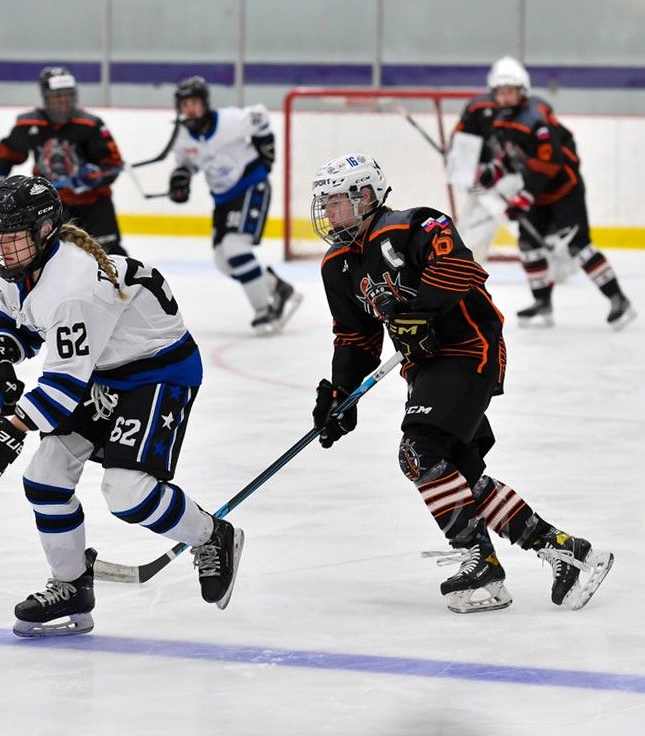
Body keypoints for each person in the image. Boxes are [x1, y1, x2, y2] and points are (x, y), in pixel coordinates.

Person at [309, 152, 614, 614]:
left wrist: (419, 311)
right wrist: (339, 394)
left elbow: (462, 270)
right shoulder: (337, 265)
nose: (327, 213)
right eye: (324, 203)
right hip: (426, 366)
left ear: (365, 196)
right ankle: (570, 553)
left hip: (470, 347)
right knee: (462, 479)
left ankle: (482, 563)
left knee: (419, 452)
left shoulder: (414, 225)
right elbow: (355, 335)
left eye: (335, 202)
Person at [0, 175, 245, 637]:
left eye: (14, 237)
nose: (4, 249)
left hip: (156, 371)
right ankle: (71, 587)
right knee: (44, 477)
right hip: (100, 371)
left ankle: (212, 535)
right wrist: (0, 352)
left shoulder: (75, 283)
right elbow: (24, 325)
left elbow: (61, 389)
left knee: (128, 493)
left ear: (46, 230)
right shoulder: (23, 269)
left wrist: (5, 431)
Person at [451, 56, 635, 329]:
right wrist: (493, 173)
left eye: (510, 90)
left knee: (578, 246)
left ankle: (619, 300)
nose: (504, 96)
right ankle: (542, 303)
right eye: (500, 92)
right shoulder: (502, 119)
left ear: (522, 90)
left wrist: (523, 199)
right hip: (537, 193)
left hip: (563, 191)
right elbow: (511, 157)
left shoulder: (536, 118)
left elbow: (549, 165)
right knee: (528, 246)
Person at [167, 75, 302, 334]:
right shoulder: (183, 135)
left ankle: (264, 311)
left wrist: (266, 151)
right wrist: (180, 179)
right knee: (222, 260)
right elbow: (187, 162)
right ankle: (277, 288)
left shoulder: (230, 121)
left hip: (252, 185)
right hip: (224, 199)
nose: (189, 109)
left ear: (205, 103)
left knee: (235, 248)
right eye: (184, 105)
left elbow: (260, 116)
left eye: (194, 103)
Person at [0, 66, 127, 255]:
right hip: (50, 205)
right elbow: (10, 152)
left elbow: (114, 164)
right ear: (45, 97)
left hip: (95, 205)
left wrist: (94, 176)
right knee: (49, 256)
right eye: (56, 97)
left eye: (67, 96)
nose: (63, 102)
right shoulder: (28, 124)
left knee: (110, 255)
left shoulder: (90, 125)